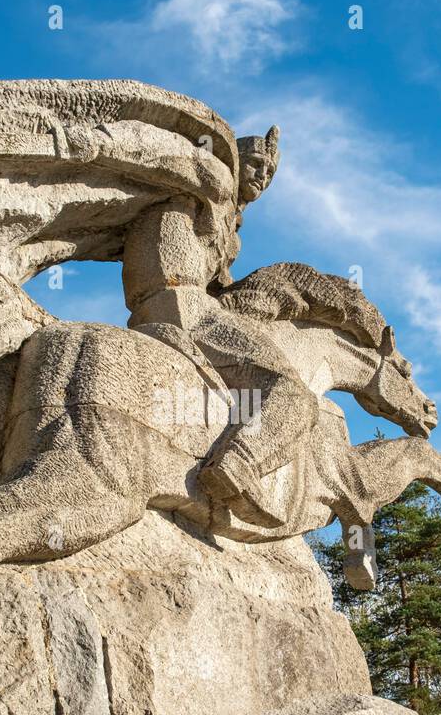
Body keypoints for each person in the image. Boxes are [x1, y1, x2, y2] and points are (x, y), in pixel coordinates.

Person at [120, 127, 321, 528]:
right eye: (257, 164)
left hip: (163, 305)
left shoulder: (227, 217)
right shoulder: (209, 187)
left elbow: (219, 283)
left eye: (270, 172)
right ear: (235, 159)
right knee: (295, 395)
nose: (262, 176)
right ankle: (239, 464)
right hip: (185, 306)